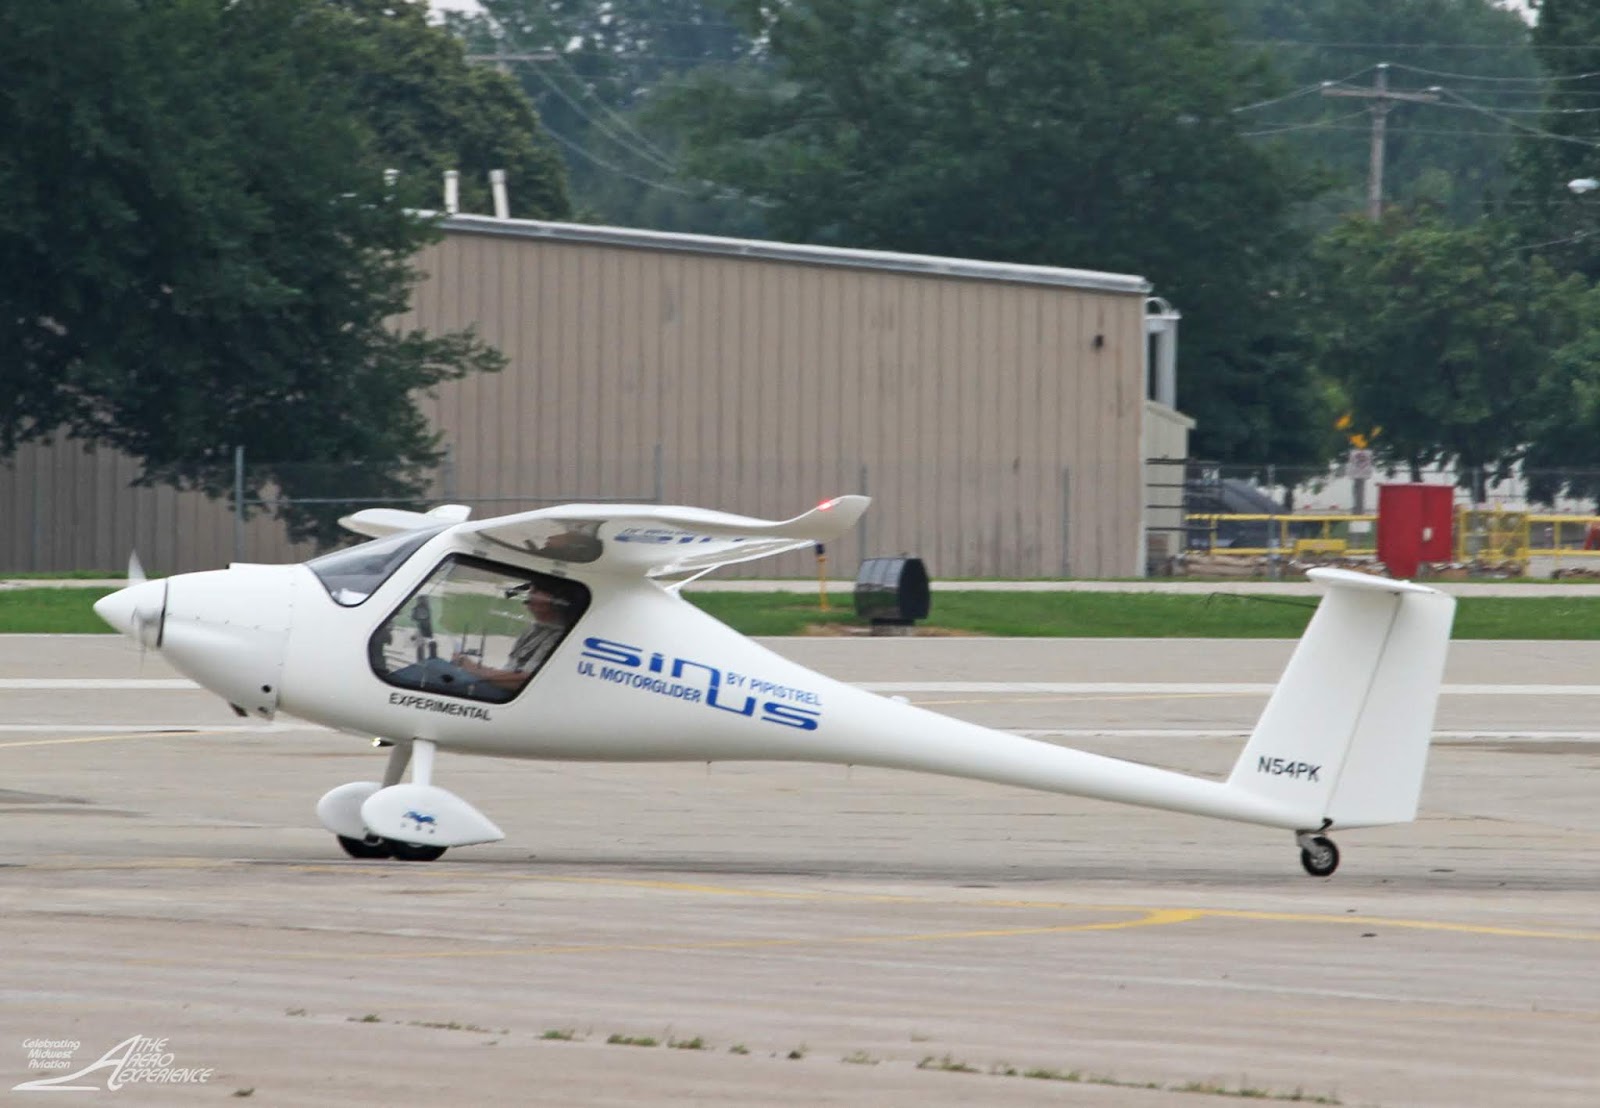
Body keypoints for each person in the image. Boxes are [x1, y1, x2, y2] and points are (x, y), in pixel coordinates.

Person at [451, 585, 573, 696]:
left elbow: (523, 682)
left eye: (534, 591)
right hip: (500, 688)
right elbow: (513, 670)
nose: (529, 594)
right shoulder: (533, 628)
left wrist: (475, 671)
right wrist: (478, 669)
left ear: (548, 600)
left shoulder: (557, 636)